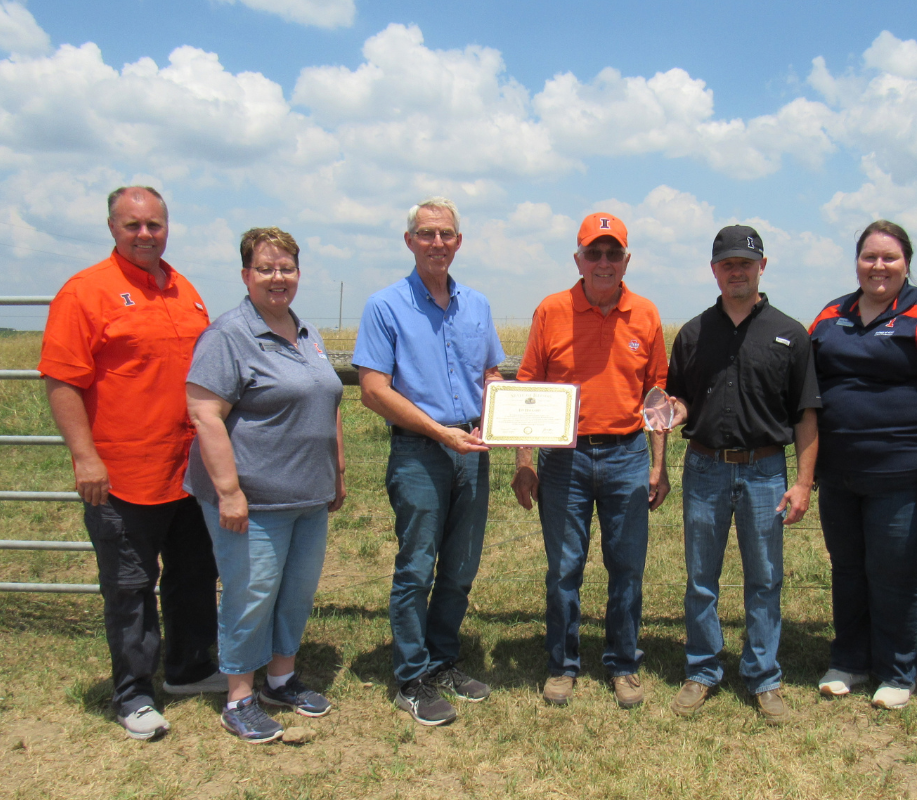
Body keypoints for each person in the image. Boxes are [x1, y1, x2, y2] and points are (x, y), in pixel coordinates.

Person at [38, 186, 225, 740]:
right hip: (121, 473)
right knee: (129, 585)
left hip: (188, 470)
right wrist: (84, 456)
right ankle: (134, 693)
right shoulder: (85, 292)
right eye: (133, 225)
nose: (145, 234)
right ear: (112, 228)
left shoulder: (184, 289)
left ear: (168, 227)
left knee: (195, 575)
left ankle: (191, 668)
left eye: (155, 225)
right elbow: (61, 379)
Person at [184, 227, 345, 743]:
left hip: (308, 495)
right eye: (266, 268)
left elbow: (329, 403)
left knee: (295, 592)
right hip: (250, 501)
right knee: (251, 594)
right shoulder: (227, 335)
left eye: (287, 268)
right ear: (245, 275)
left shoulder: (308, 333)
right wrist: (229, 492)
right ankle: (239, 696)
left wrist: (336, 472)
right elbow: (206, 415)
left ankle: (281, 678)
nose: (278, 278)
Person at [808, 220, 917, 710]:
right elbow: (808, 387)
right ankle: (849, 660)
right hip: (838, 474)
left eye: (890, 258)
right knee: (848, 569)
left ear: (907, 263)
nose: (878, 266)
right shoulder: (830, 315)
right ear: (856, 262)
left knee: (896, 572)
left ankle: (897, 669)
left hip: (902, 475)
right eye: (869, 257)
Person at [353, 197, 505, 727]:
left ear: (459, 242)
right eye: (426, 234)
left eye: (446, 234)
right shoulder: (385, 306)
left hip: (472, 453)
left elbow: (489, 375)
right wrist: (440, 431)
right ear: (409, 240)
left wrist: (502, 413)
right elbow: (373, 390)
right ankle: (411, 676)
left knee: (460, 569)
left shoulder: (477, 305)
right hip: (419, 453)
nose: (437, 242)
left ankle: (442, 661)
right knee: (417, 568)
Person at [511, 212, 670, 709]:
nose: (604, 262)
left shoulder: (645, 314)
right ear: (578, 259)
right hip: (564, 459)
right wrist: (525, 462)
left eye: (613, 253)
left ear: (626, 260)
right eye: (594, 253)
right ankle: (562, 665)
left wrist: (658, 466)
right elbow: (528, 389)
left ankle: (624, 663)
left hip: (626, 455)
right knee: (563, 568)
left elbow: (657, 396)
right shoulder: (550, 311)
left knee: (627, 567)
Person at [661, 226, 820, 723]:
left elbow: (806, 414)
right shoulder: (692, 333)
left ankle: (763, 675)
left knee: (765, 577)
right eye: (727, 263)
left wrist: (803, 482)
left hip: (767, 471)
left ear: (762, 267)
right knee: (701, 577)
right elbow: (679, 398)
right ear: (714, 270)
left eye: (745, 263)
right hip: (705, 467)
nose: (736, 271)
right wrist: (674, 410)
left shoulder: (790, 334)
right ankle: (702, 669)